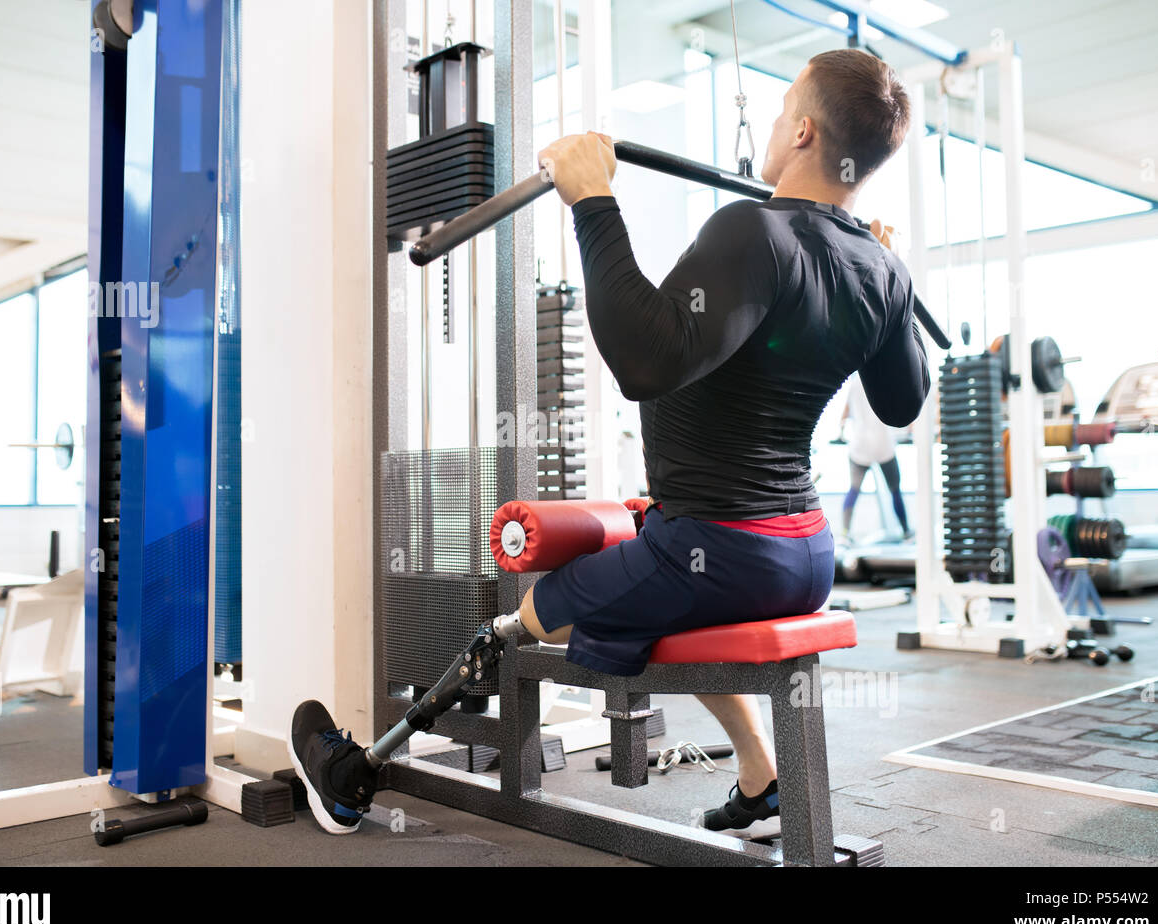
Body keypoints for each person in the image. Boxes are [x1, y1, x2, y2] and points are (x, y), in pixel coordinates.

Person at [292, 48, 929, 841]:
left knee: (516, 627)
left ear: (803, 130)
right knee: (656, 587)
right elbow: (904, 400)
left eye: (778, 113)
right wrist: (890, 281)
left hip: (717, 551)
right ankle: (762, 777)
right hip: (802, 556)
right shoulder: (877, 266)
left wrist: (592, 201)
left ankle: (353, 779)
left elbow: (647, 361)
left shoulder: (753, 232)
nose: (769, 128)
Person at [839, 376, 912, 544]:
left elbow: (845, 413)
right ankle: (907, 532)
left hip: (860, 445)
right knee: (895, 489)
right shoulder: (883, 379)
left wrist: (841, 431)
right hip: (883, 443)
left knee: (854, 489)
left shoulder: (854, 383)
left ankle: (844, 534)